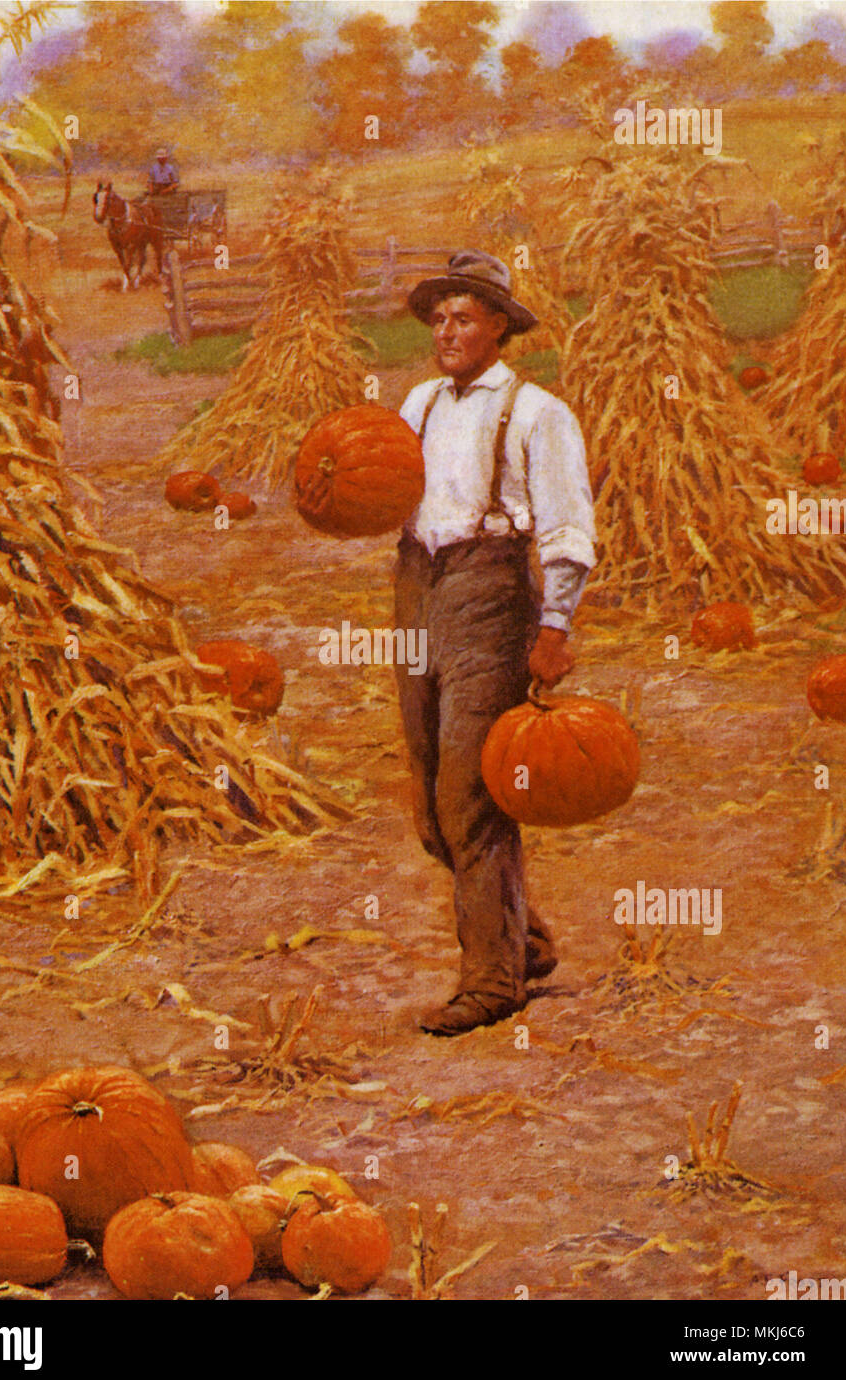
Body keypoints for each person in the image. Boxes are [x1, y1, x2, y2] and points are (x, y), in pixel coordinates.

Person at [300, 249, 596, 1037]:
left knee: (473, 791)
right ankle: (523, 938)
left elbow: (568, 530)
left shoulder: (536, 413)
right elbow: (379, 485)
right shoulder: (420, 403)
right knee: (432, 800)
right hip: (416, 586)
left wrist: (555, 624)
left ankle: (492, 981)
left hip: (490, 593)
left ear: (499, 325)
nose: (446, 331)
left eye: (463, 317)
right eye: (437, 319)